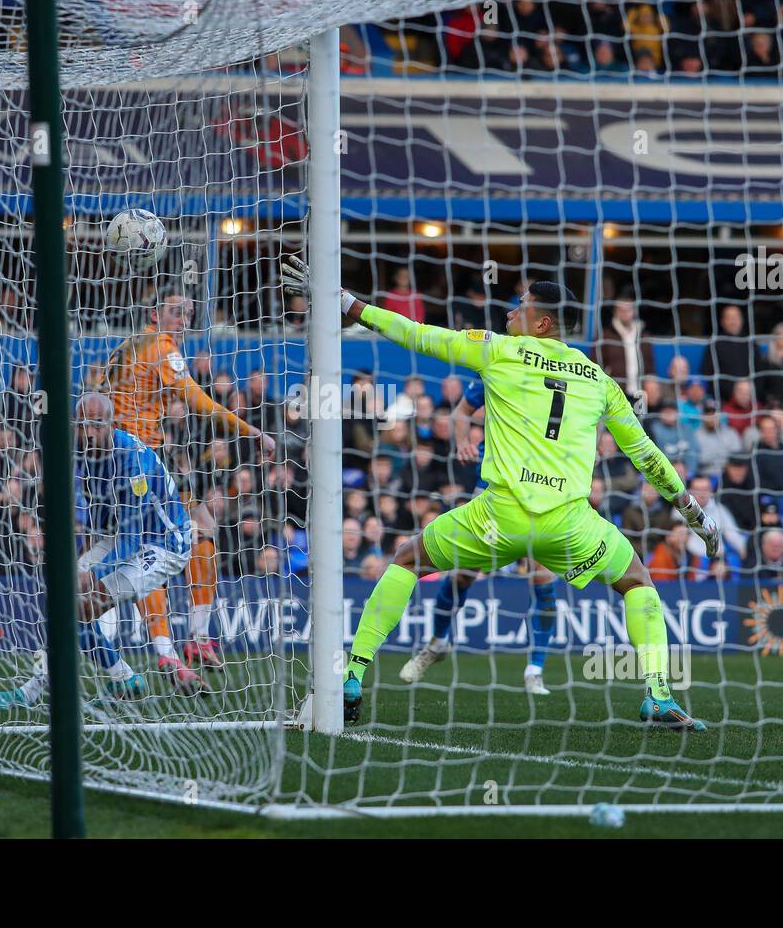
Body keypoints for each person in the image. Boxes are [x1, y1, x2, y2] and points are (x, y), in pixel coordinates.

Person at [285, 258, 719, 730]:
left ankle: (352, 675)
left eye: (522, 306)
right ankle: (657, 693)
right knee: (637, 582)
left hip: (497, 517)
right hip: (569, 525)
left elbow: (416, 334)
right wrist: (690, 508)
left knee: (409, 559)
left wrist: (347, 303)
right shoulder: (599, 379)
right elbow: (646, 454)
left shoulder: (499, 350)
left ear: (543, 322)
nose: (512, 312)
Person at [92, 290, 275, 686]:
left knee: (199, 531)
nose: (184, 318)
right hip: (136, 463)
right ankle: (171, 651)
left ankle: (191, 642)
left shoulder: (128, 345)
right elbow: (199, 402)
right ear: (154, 313)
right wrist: (252, 431)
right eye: (176, 311)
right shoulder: (161, 347)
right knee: (152, 548)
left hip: (132, 460)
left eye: (189, 312)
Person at [0, 393, 194, 708]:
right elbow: (95, 516)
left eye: (96, 425)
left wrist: (92, 574)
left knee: (81, 604)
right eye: (83, 425)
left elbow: (132, 541)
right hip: (119, 534)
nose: (89, 432)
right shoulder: (79, 451)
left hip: (162, 543)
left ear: (110, 424)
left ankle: (35, 691)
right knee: (63, 601)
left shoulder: (131, 462)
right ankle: (124, 678)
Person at [398, 376, 560, 695]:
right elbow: (462, 411)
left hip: (540, 488)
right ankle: (437, 642)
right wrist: (462, 440)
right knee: (464, 574)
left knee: (543, 576)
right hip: (494, 486)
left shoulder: (557, 373)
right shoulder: (497, 366)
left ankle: (535, 670)